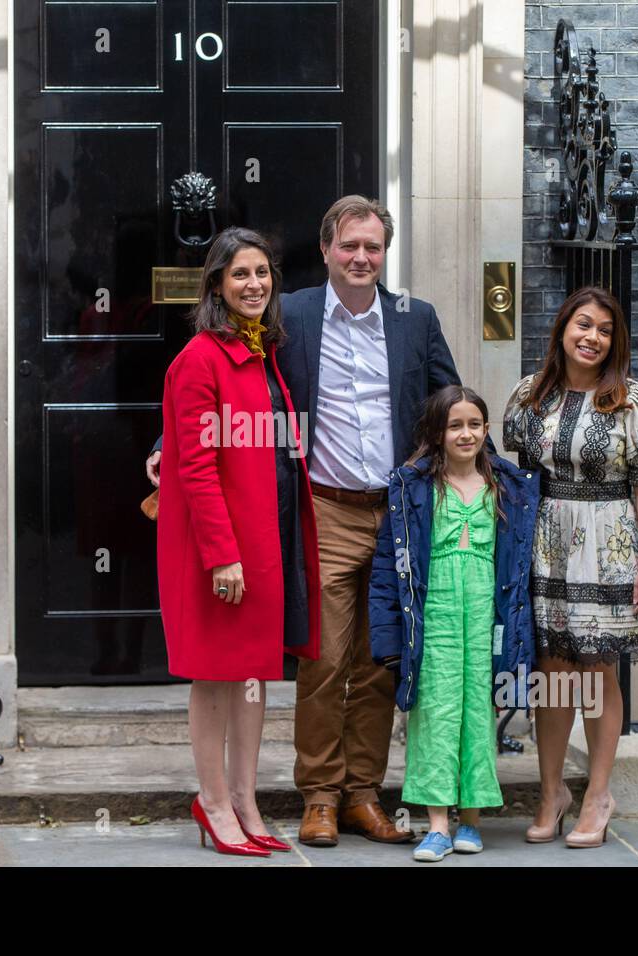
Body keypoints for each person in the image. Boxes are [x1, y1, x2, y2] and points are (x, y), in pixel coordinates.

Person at [148, 196, 460, 846]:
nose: (360, 258)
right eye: (349, 246)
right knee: (321, 657)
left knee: (382, 658)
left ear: (385, 252)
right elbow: (218, 384)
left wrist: (437, 472)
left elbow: (447, 404)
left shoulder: (415, 319)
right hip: (322, 509)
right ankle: (318, 794)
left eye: (372, 247)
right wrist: (164, 448)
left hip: (396, 512)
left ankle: (363, 795)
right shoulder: (287, 313)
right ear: (326, 250)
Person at [156, 227, 321, 857]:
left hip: (269, 535)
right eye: (240, 275)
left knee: (256, 675)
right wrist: (222, 555)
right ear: (217, 286)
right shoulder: (200, 359)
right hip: (221, 548)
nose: (254, 285)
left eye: (262, 273)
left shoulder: (264, 352)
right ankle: (213, 801)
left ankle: (248, 800)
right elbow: (195, 465)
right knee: (215, 676)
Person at [501, 285, 638, 848]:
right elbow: (518, 476)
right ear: (562, 329)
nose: (592, 337)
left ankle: (598, 794)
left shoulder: (632, 401)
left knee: (597, 673)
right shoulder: (530, 396)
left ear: (614, 342)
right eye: (583, 325)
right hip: (547, 543)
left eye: (604, 331)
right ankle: (552, 793)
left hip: (610, 545)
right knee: (552, 672)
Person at [370, 385, 540, 861]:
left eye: (474, 424)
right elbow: (388, 565)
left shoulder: (508, 486)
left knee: (478, 710)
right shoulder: (413, 487)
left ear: (487, 430)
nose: (465, 434)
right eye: (454, 425)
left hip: (488, 613)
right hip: (434, 615)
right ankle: (437, 824)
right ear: (437, 433)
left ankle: (472, 819)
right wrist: (386, 636)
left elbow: (520, 567)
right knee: (433, 713)